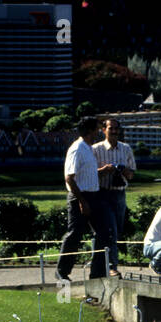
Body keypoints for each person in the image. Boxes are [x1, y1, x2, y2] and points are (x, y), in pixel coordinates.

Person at [56, 116, 111, 282]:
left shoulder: (88, 148)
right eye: (96, 128)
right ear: (89, 131)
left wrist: (104, 171)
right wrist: (82, 201)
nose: (99, 131)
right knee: (75, 234)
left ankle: (97, 273)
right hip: (80, 196)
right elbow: (69, 178)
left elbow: (87, 174)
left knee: (103, 233)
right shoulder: (77, 149)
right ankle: (61, 272)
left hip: (92, 195)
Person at [92, 118, 135, 276]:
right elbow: (89, 174)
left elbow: (131, 175)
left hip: (120, 194)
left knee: (116, 229)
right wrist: (104, 170)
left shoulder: (126, 149)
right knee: (111, 230)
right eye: (111, 128)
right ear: (104, 130)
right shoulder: (95, 149)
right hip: (103, 193)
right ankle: (112, 266)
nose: (115, 131)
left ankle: (100, 263)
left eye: (117, 128)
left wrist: (123, 171)